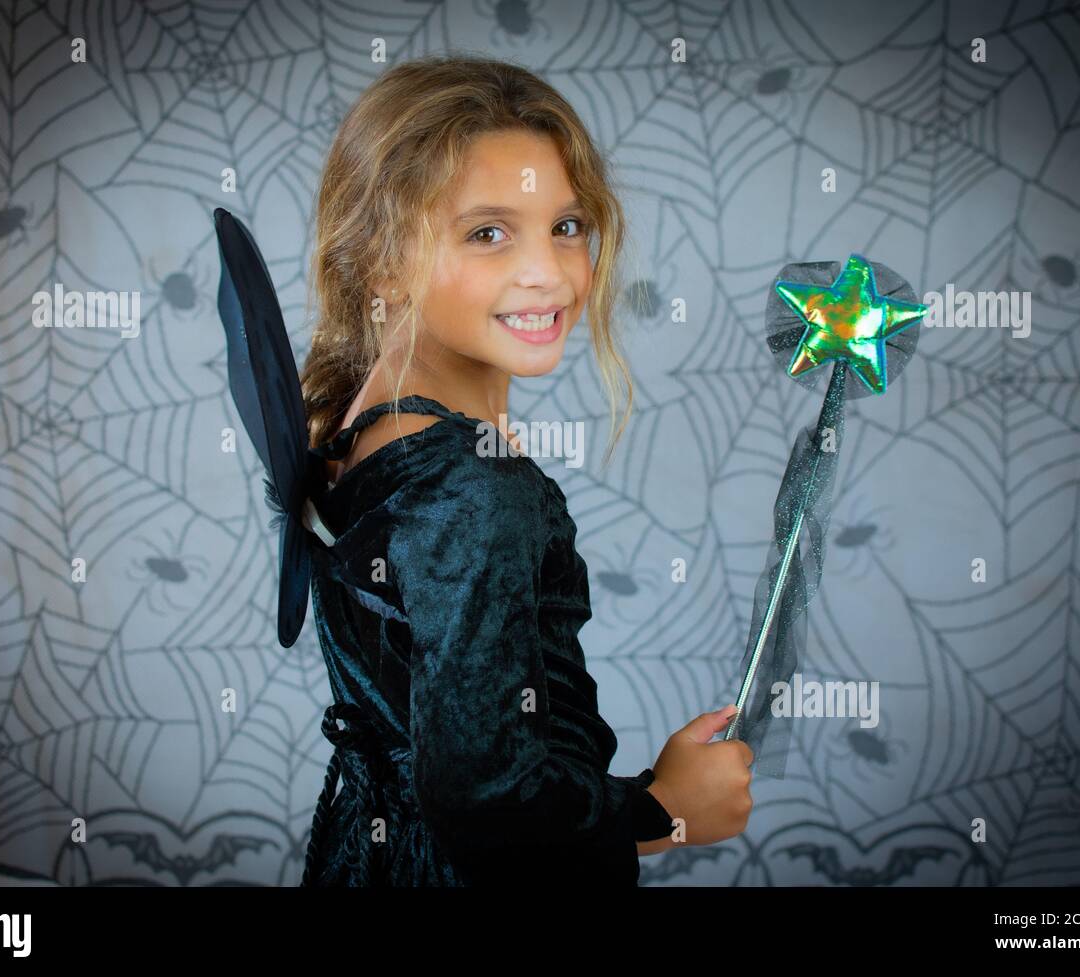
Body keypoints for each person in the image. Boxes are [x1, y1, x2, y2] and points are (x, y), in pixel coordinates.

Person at [296, 54, 754, 886]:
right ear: (383, 259)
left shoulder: (355, 428)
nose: (547, 271)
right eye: (488, 232)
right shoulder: (477, 487)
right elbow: (487, 801)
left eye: (567, 226)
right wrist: (664, 811)